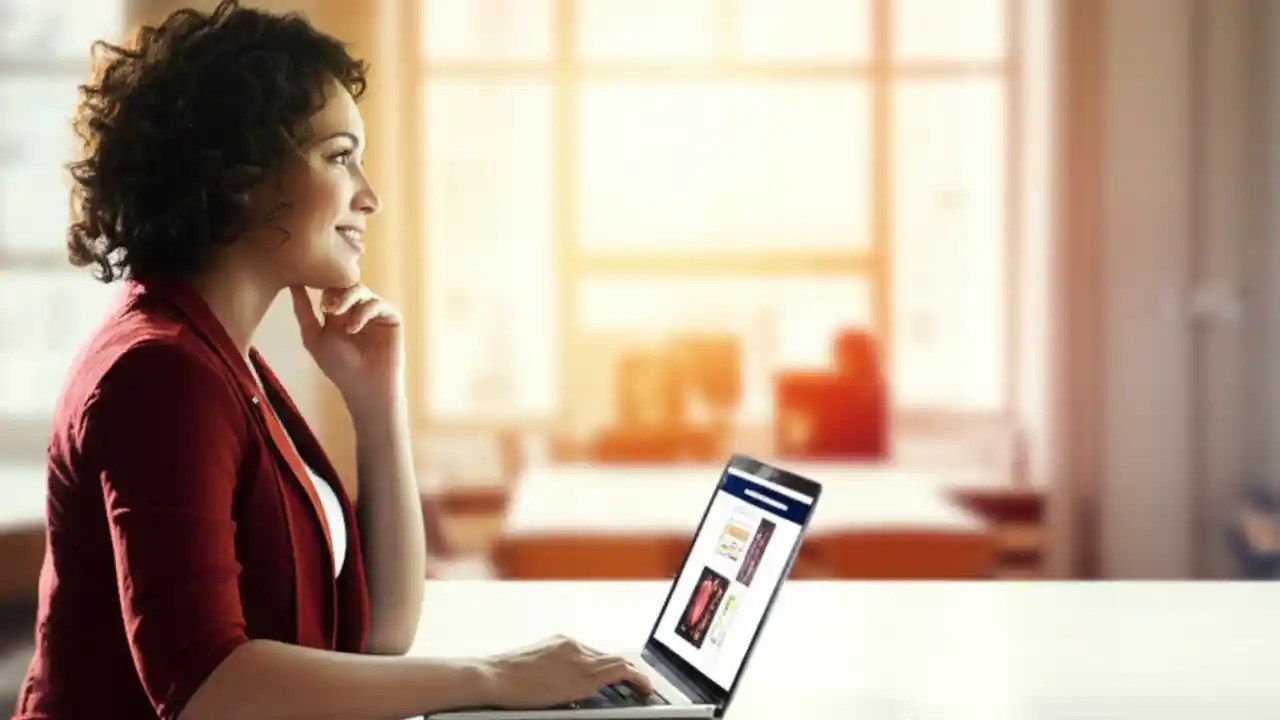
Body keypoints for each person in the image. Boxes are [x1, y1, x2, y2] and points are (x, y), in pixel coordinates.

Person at [10, 2, 650, 718]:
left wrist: (376, 405)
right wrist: (494, 677)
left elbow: (383, 629)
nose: (369, 196)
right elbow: (206, 687)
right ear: (240, 174)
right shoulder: (162, 374)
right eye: (340, 156)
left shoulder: (221, 358)